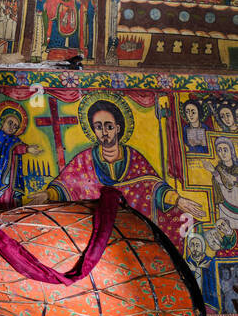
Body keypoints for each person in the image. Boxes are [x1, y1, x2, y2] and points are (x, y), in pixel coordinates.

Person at [48, 99, 203, 248]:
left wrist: (176, 200)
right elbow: (67, 184)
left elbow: (152, 184)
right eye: (98, 127)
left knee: (179, 216)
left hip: (132, 222)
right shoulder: (85, 158)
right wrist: (48, 194)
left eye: (108, 126)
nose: (104, 132)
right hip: (96, 223)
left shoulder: (132, 157)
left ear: (118, 128)